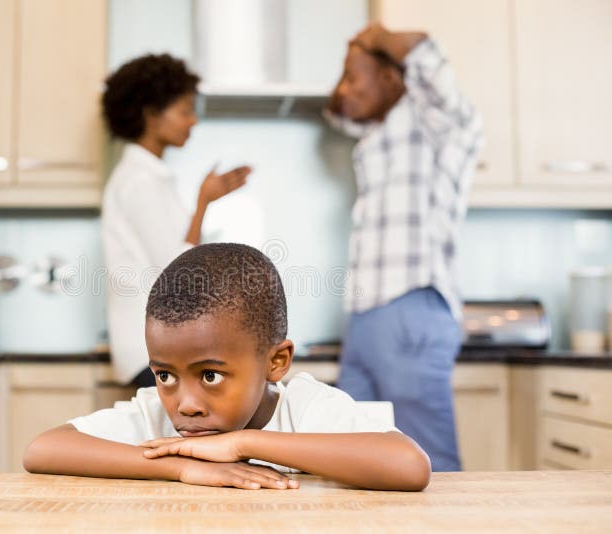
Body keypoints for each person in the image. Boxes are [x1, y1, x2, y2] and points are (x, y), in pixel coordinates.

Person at [24, 243, 431, 491]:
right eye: (165, 375)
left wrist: (242, 445)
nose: (185, 404)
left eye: (210, 376)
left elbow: (409, 465)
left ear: (276, 361)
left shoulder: (306, 407)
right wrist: (181, 468)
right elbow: (43, 449)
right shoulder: (154, 415)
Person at [324, 24, 483, 472]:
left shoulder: (433, 124)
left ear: (393, 80)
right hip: (364, 317)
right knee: (355, 457)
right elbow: (338, 110)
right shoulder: (375, 134)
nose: (344, 89)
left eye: (354, 77)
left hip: (411, 304)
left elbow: (423, 52)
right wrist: (354, 64)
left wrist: (374, 40)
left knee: (430, 463)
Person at [101, 54, 251, 388]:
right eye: (184, 111)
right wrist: (203, 202)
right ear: (150, 115)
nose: (193, 121)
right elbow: (177, 273)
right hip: (150, 351)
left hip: (156, 348)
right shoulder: (139, 181)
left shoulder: (146, 177)